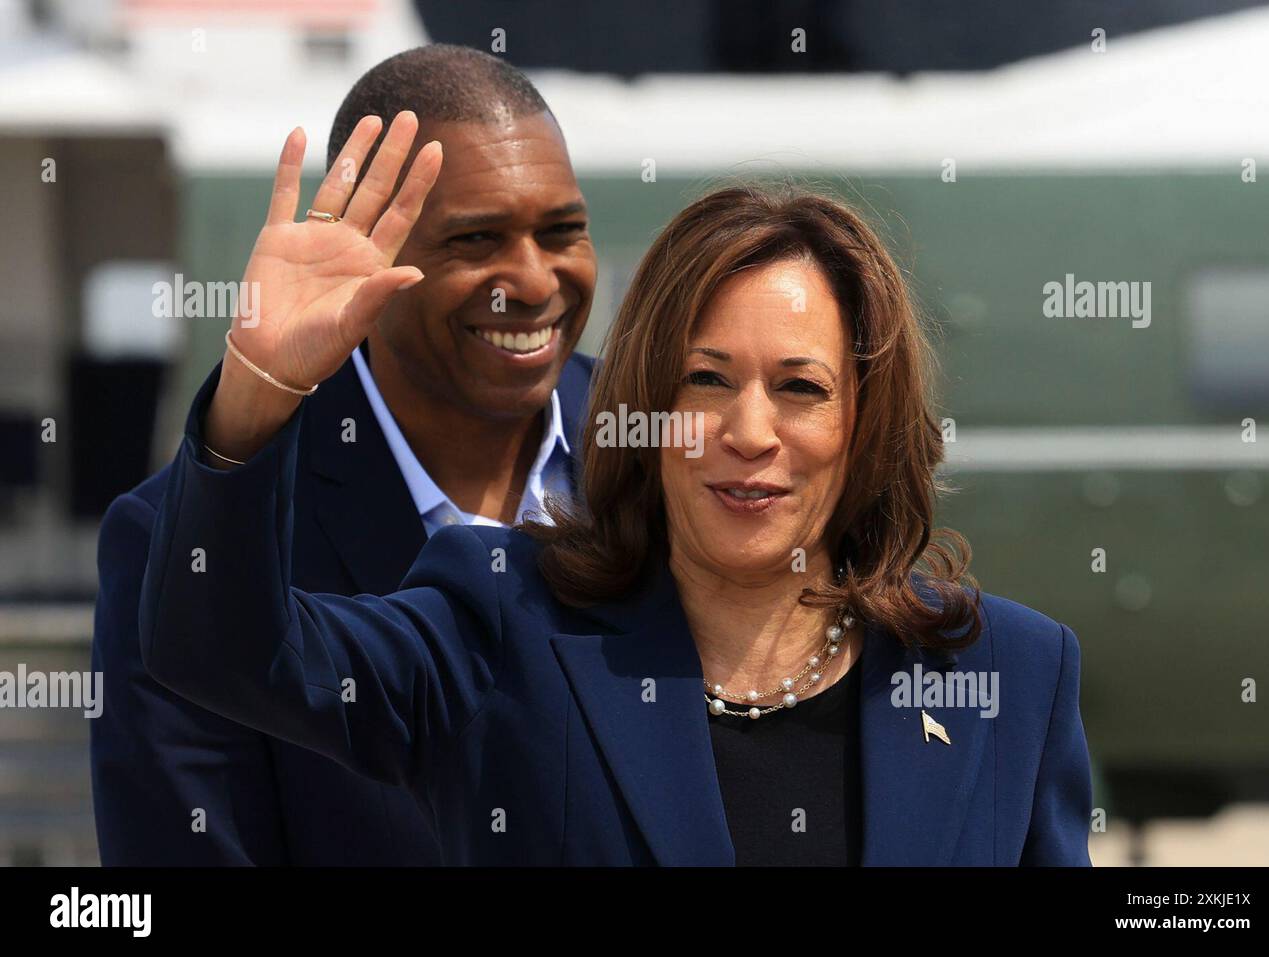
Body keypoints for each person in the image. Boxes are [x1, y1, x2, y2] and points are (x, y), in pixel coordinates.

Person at [137, 118, 1093, 863]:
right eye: (706, 379)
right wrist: (259, 391)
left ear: (865, 424)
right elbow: (221, 653)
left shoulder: (1008, 673)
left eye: (800, 388)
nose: (749, 433)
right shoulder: (503, 623)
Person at [90, 45, 597, 865]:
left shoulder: (684, 463)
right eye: (477, 239)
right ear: (370, 251)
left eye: (562, 230)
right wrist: (255, 387)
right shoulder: (179, 547)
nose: (534, 280)